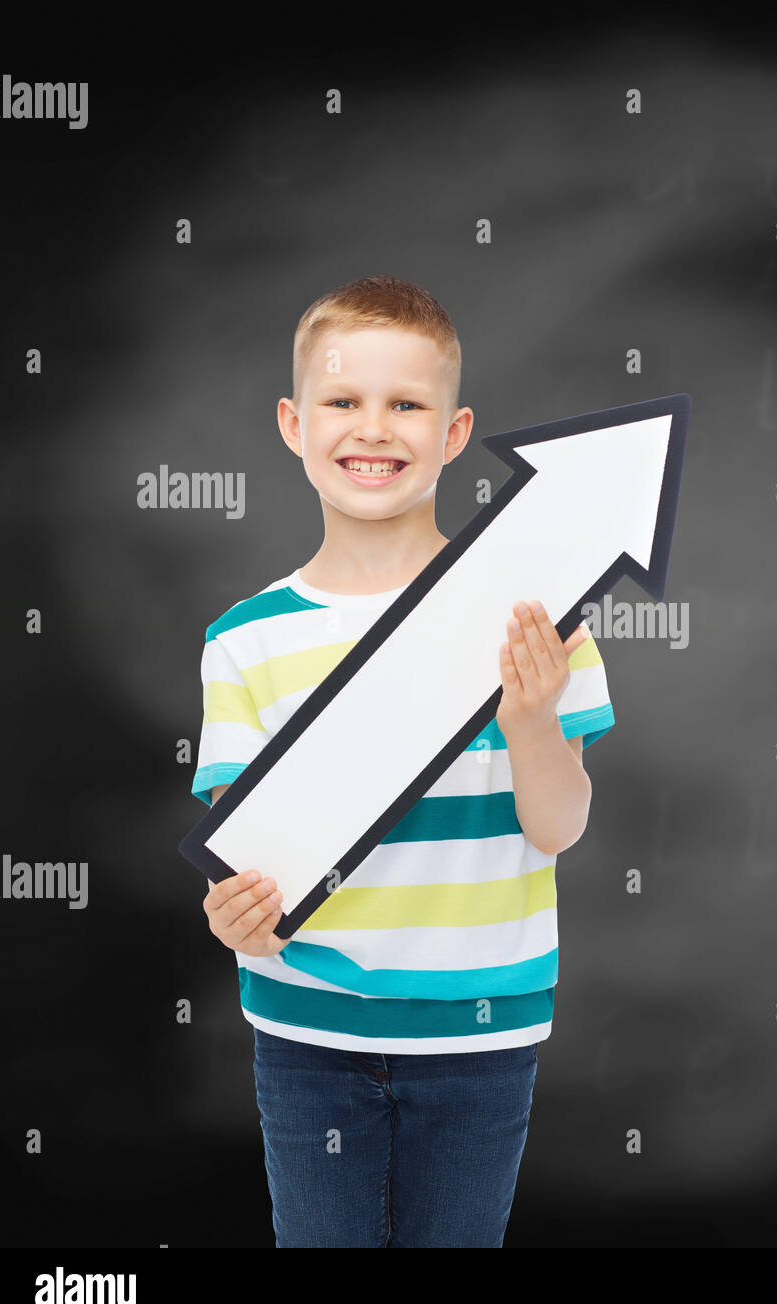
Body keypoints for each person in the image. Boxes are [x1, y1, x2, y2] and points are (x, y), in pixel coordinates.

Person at [190, 274, 614, 1246]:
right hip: (307, 1036)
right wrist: (232, 913)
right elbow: (242, 869)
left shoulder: (533, 615)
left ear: (455, 432)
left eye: (406, 405)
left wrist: (533, 718)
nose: (372, 428)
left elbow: (559, 825)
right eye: (343, 400)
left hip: (481, 1032)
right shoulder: (243, 641)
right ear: (295, 423)